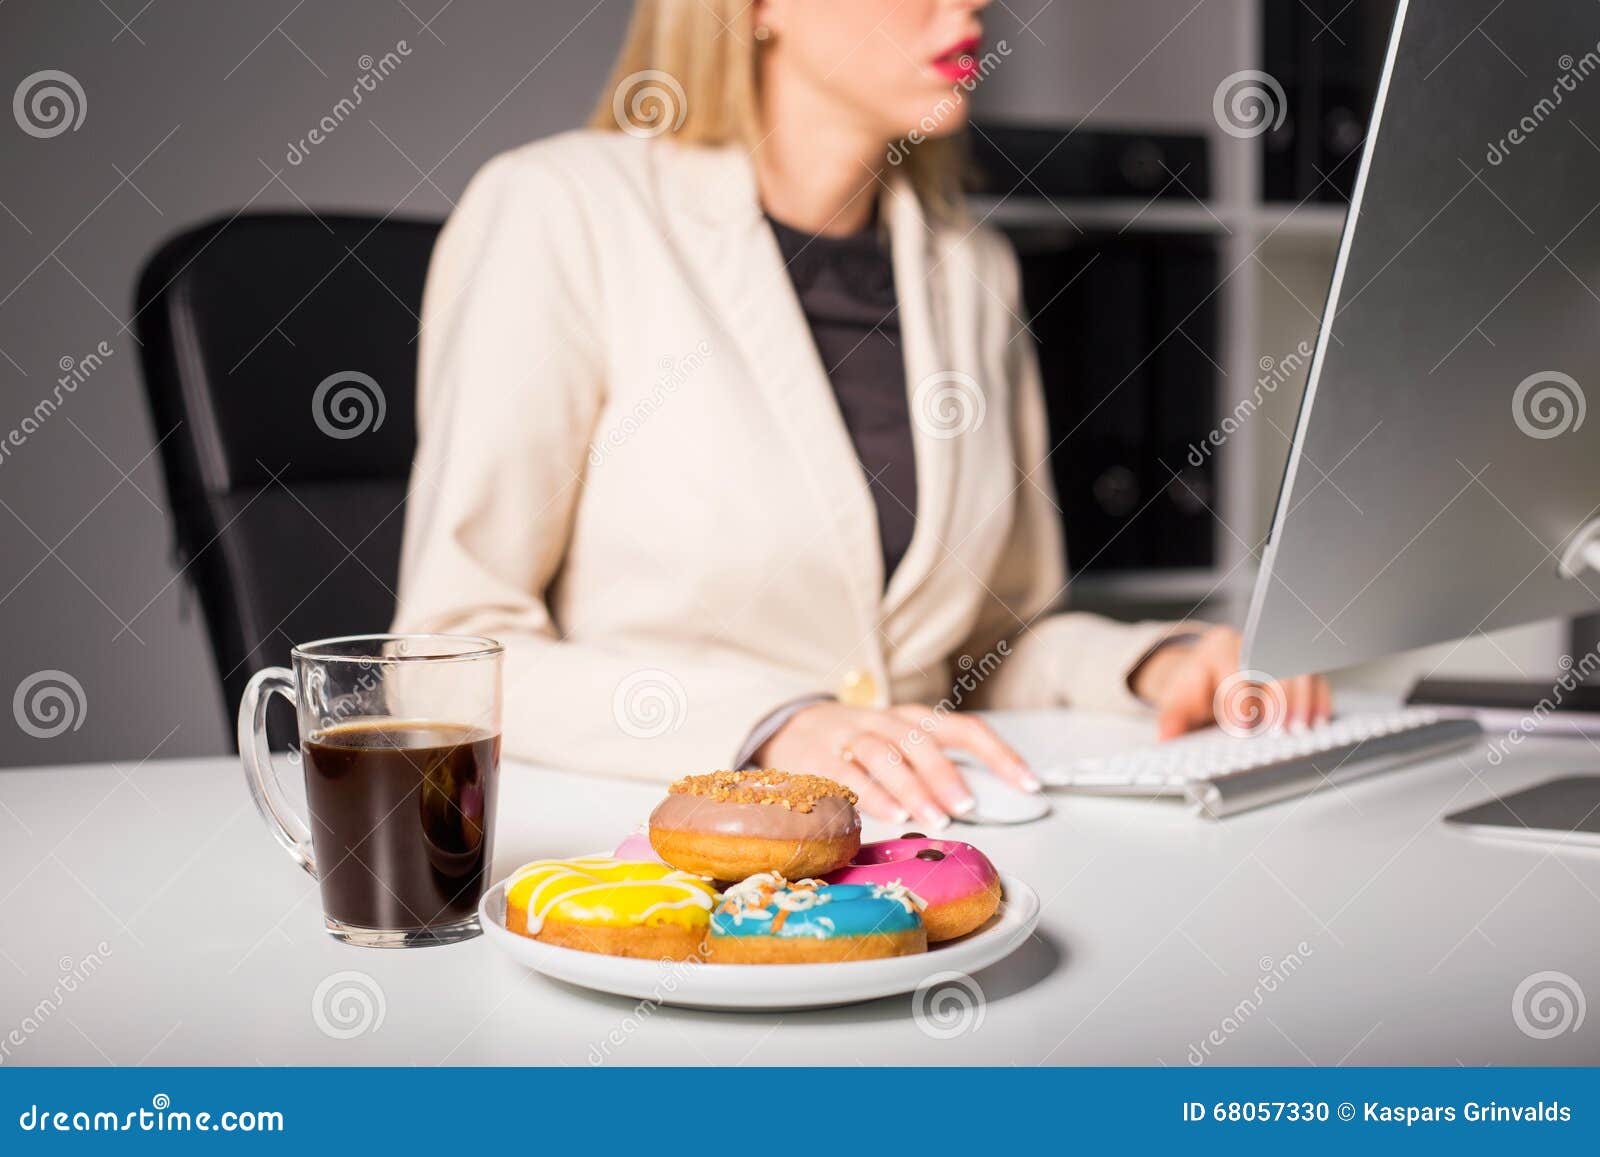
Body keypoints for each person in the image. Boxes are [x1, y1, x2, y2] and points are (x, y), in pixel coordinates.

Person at [392, 0, 1330, 826]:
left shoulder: (974, 270)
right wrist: (773, 726)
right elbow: (444, 656)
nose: (971, 3)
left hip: (932, 838)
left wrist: (1153, 665)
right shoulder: (563, 212)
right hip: (657, 856)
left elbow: (992, 642)